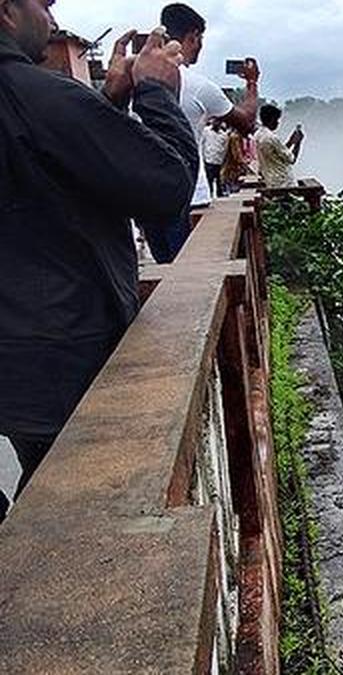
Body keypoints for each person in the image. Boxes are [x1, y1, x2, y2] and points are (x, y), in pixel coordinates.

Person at [0, 2, 199, 524]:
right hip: (67, 357)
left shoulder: (41, 103)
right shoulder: (38, 95)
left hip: (19, 370)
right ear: (6, 11)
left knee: (42, 491)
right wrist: (157, 92)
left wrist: (106, 103)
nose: (50, 15)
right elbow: (166, 186)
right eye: (42, 3)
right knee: (73, 517)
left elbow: (48, 182)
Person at [138, 2, 259, 264]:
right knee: (191, 271)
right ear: (193, 36)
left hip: (147, 198)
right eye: (200, 38)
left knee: (165, 271)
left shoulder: (136, 76)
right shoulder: (199, 86)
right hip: (189, 196)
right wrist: (251, 82)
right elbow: (247, 123)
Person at [254, 103, 303, 189]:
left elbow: (277, 153)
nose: (278, 123)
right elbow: (291, 159)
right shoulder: (272, 137)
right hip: (284, 183)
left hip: (270, 181)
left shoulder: (258, 135)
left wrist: (291, 142)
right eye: (277, 119)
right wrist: (298, 143)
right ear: (272, 119)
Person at [201, 118, 229, 197]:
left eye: (219, 121)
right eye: (215, 121)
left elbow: (225, 149)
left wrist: (223, 159)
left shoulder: (224, 135)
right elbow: (202, 143)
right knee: (209, 179)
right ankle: (209, 195)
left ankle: (219, 193)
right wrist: (203, 157)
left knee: (219, 179)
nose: (217, 123)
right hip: (208, 159)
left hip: (219, 160)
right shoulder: (206, 131)